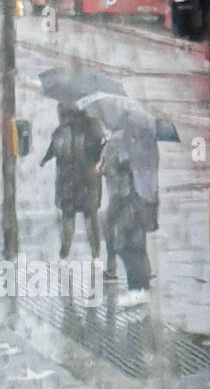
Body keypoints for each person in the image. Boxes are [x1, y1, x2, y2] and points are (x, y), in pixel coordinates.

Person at [99, 121, 160, 298]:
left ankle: (138, 288)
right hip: (144, 200)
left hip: (130, 202)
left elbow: (114, 171)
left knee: (125, 246)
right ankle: (143, 282)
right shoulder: (147, 145)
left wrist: (107, 166)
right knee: (137, 245)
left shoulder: (120, 142)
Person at [40, 105, 103, 259]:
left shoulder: (62, 131)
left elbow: (55, 149)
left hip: (68, 181)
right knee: (90, 215)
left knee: (68, 216)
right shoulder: (93, 127)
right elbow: (99, 152)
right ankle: (95, 251)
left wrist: (45, 159)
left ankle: (65, 249)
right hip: (88, 180)